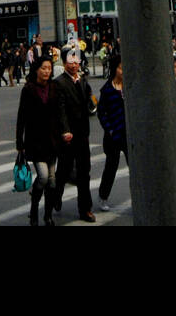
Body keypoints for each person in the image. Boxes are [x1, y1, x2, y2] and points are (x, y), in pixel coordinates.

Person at [52, 46, 96, 222]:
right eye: (70, 61)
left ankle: (85, 209)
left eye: (76, 60)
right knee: (64, 169)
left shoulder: (83, 81)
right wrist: (65, 130)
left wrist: (93, 104)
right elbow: (60, 109)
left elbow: (91, 101)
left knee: (84, 171)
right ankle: (57, 194)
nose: (74, 64)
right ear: (64, 63)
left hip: (83, 133)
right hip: (68, 136)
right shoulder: (59, 83)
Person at [16, 56, 60, 226]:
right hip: (35, 141)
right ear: (37, 70)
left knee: (52, 180)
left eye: (49, 68)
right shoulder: (28, 89)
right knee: (42, 177)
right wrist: (19, 142)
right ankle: (34, 211)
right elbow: (22, 117)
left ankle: (47, 215)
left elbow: (59, 113)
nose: (47, 71)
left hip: (52, 140)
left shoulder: (54, 87)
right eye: (44, 68)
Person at [95, 54, 126, 211]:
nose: (123, 71)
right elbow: (101, 113)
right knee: (111, 167)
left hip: (128, 134)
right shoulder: (107, 89)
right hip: (114, 135)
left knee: (135, 167)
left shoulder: (129, 86)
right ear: (115, 69)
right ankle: (103, 196)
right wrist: (110, 129)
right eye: (120, 67)